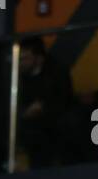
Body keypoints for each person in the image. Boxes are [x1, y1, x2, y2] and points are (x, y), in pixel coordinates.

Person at [17, 37, 76, 169]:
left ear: (39, 58)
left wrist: (42, 108)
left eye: (25, 58)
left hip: (54, 121)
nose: (21, 63)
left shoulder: (57, 72)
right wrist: (25, 112)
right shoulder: (17, 77)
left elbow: (63, 100)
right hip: (31, 124)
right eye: (19, 58)